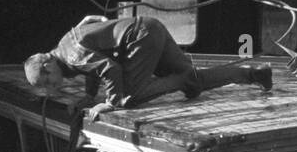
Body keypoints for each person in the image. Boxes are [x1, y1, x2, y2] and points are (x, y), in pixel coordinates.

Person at [23, 15, 272, 117]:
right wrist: (89, 96)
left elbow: (110, 69)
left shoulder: (72, 55)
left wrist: (109, 102)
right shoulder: (65, 47)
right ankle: (254, 74)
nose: (52, 87)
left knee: (127, 100)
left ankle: (181, 80)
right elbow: (94, 66)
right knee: (196, 80)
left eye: (47, 81)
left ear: (47, 64)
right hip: (149, 28)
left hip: (141, 38)